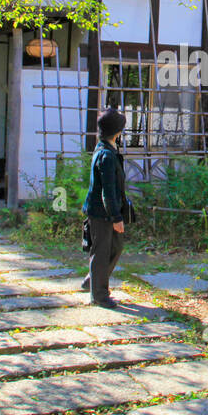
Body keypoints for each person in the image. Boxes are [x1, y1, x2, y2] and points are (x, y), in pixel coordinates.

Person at [81, 108, 128, 307]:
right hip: (102, 213)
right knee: (101, 252)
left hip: (105, 210)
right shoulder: (106, 155)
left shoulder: (106, 149)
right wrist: (116, 218)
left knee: (116, 247)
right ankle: (99, 295)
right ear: (117, 132)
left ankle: (92, 281)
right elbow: (107, 191)